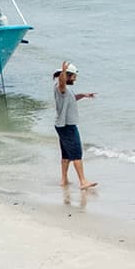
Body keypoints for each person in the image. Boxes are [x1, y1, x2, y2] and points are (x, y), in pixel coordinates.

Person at [51, 62, 96, 192]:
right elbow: (61, 83)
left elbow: (70, 99)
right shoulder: (60, 87)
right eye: (74, 76)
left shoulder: (66, 90)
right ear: (68, 76)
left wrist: (83, 95)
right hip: (67, 126)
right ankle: (83, 181)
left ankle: (64, 179)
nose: (75, 79)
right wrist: (64, 72)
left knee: (66, 154)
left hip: (62, 125)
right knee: (76, 154)